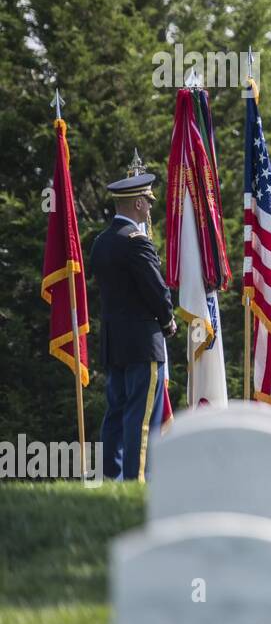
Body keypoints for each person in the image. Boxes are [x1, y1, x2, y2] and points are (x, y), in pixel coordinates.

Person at [87, 171, 177, 481]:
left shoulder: (101, 243)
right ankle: (135, 480)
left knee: (115, 413)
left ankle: (111, 477)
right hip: (142, 342)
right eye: (148, 203)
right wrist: (168, 320)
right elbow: (157, 291)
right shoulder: (137, 243)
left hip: (114, 343)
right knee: (139, 416)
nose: (150, 208)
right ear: (138, 203)